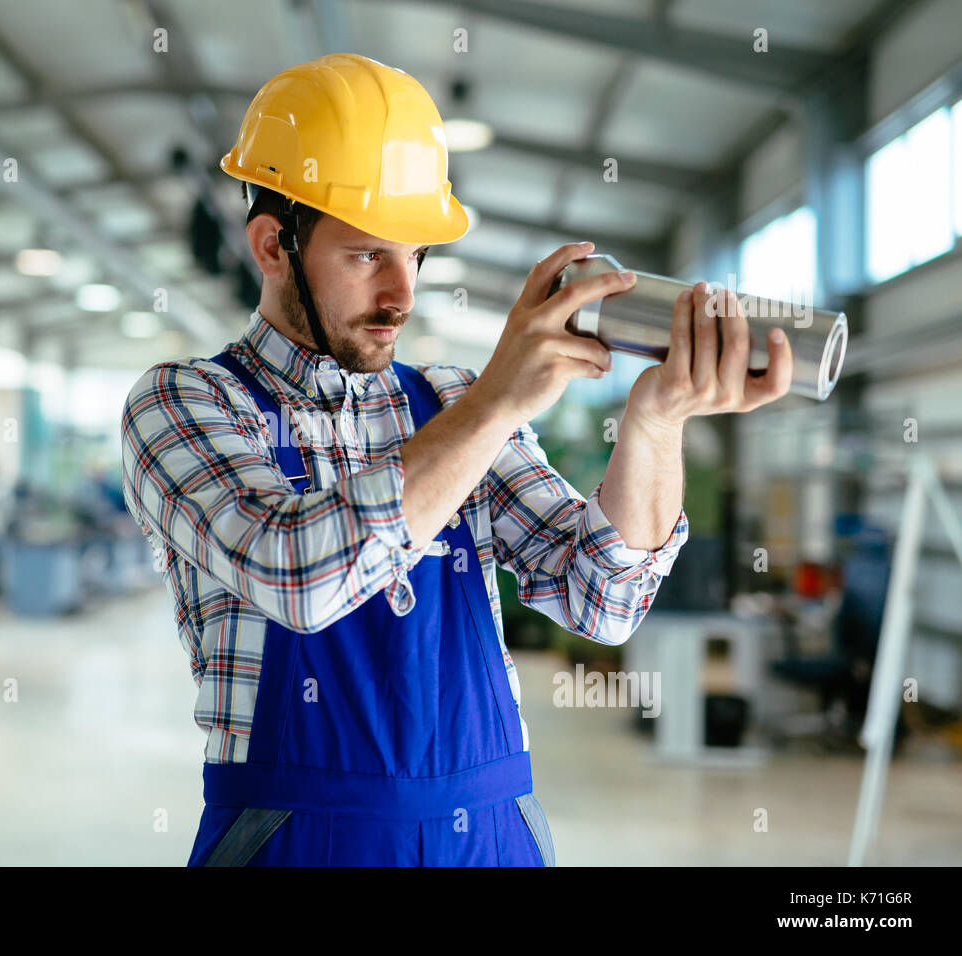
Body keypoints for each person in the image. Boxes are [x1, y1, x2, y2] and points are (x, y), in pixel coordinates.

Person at [120, 54, 794, 867]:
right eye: (369, 254)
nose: (401, 295)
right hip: (293, 841)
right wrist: (498, 403)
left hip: (490, 839)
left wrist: (653, 423)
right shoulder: (185, 405)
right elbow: (297, 575)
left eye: (416, 257)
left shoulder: (450, 401)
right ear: (272, 244)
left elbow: (603, 599)